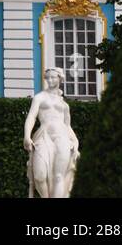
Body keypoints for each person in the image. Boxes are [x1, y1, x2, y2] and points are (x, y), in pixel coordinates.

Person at [23, 67, 80, 198]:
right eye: (47, 77)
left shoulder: (65, 105)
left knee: (59, 176)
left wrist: (75, 141)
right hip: (44, 136)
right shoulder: (39, 97)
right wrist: (27, 136)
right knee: (39, 176)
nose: (49, 80)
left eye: (53, 77)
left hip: (62, 137)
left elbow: (68, 126)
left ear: (60, 78)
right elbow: (31, 117)